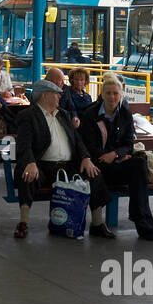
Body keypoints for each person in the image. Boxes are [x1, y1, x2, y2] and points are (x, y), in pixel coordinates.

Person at [13, 78, 110, 240]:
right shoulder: (28, 116)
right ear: (45, 96)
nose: (60, 97)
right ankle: (23, 222)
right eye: (56, 94)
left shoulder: (63, 114)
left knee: (93, 174)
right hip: (42, 166)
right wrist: (30, 162)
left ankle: (97, 224)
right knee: (27, 175)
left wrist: (86, 158)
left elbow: (77, 140)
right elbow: (24, 143)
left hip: (67, 167)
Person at [78, 73, 153, 241]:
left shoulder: (125, 114)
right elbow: (88, 144)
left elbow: (129, 143)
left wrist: (116, 154)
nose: (112, 97)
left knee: (139, 164)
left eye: (115, 93)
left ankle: (141, 219)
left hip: (117, 162)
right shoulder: (90, 114)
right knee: (95, 173)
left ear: (121, 95)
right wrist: (105, 156)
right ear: (102, 94)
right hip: (98, 164)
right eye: (108, 93)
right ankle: (99, 224)